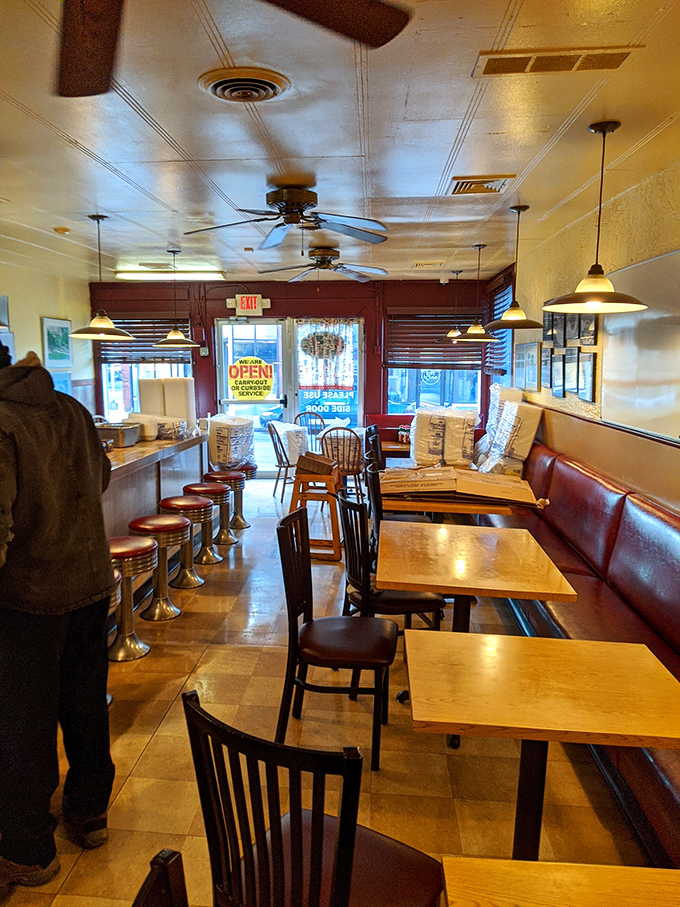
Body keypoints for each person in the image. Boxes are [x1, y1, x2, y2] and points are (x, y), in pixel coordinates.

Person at [0, 343, 116, 888]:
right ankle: (90, 814)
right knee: (86, 704)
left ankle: (28, 849)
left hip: (30, 598)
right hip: (92, 583)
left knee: (25, 723)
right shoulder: (69, 407)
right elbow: (103, 478)